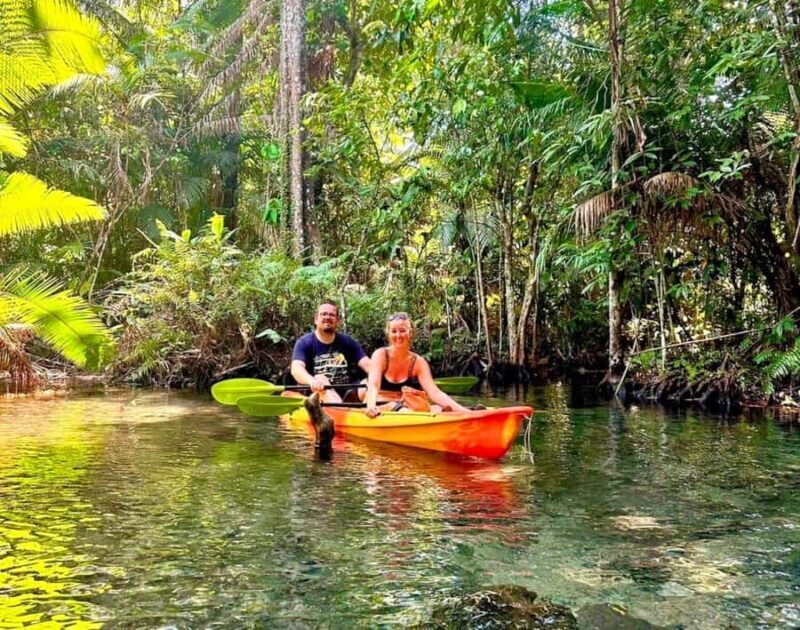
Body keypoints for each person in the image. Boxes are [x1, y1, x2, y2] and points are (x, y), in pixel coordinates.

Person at [365, 312, 468, 417]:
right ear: (388, 334)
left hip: (407, 406)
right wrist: (371, 405)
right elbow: (374, 385)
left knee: (439, 408)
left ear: (410, 333)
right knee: (400, 409)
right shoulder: (380, 355)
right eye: (394, 331)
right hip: (381, 405)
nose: (398, 335)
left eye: (402, 330)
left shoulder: (419, 362)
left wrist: (464, 411)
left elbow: (435, 393)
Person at [291, 300, 371, 403]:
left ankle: (368, 412)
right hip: (318, 391)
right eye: (323, 314)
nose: (328, 317)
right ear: (316, 319)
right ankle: (339, 410)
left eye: (332, 315)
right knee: (321, 378)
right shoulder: (304, 342)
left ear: (337, 321)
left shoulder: (348, 341)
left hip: (347, 391)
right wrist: (312, 381)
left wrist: (382, 378)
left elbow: (368, 364)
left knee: (368, 383)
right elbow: (296, 368)